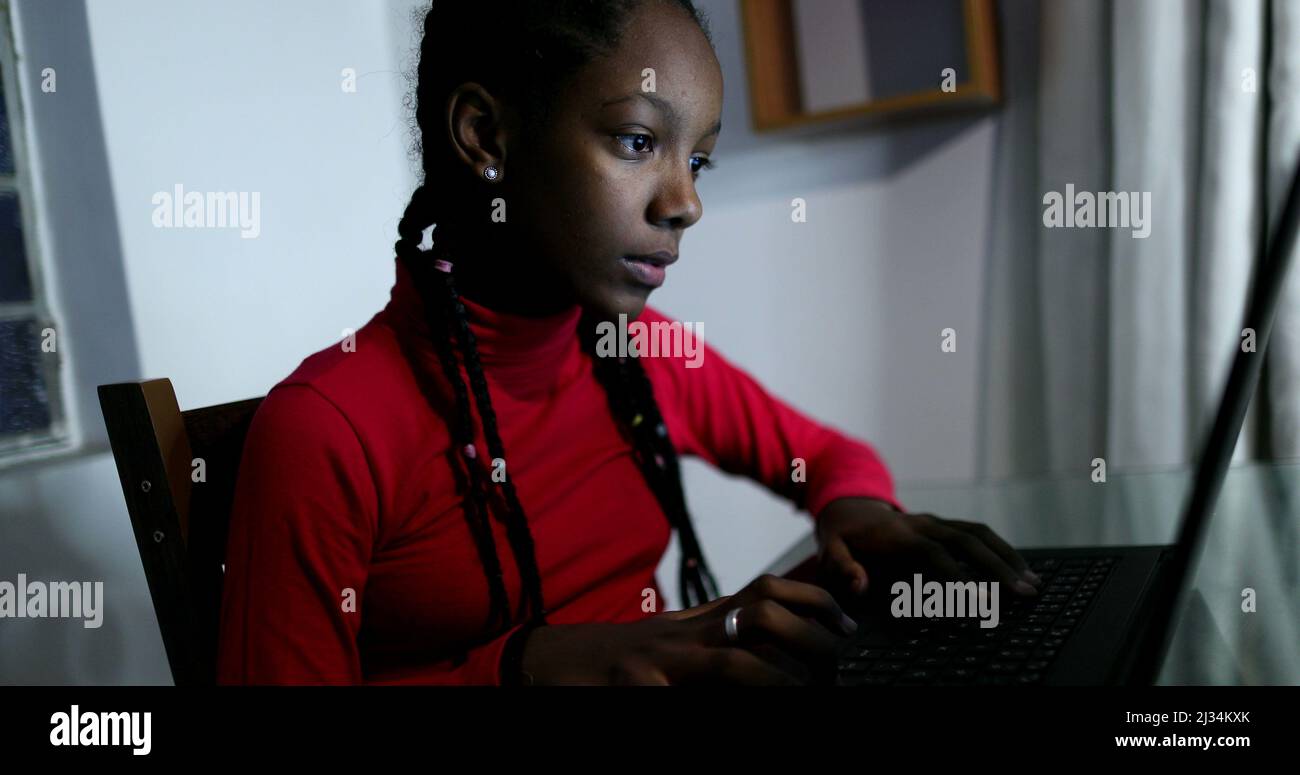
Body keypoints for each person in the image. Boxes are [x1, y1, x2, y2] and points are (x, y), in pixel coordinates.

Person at [215, 0, 1040, 686]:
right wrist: (527, 666)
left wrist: (857, 513)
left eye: (700, 162)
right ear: (486, 137)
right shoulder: (326, 428)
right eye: (640, 141)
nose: (684, 203)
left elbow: (827, 454)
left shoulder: (637, 353)